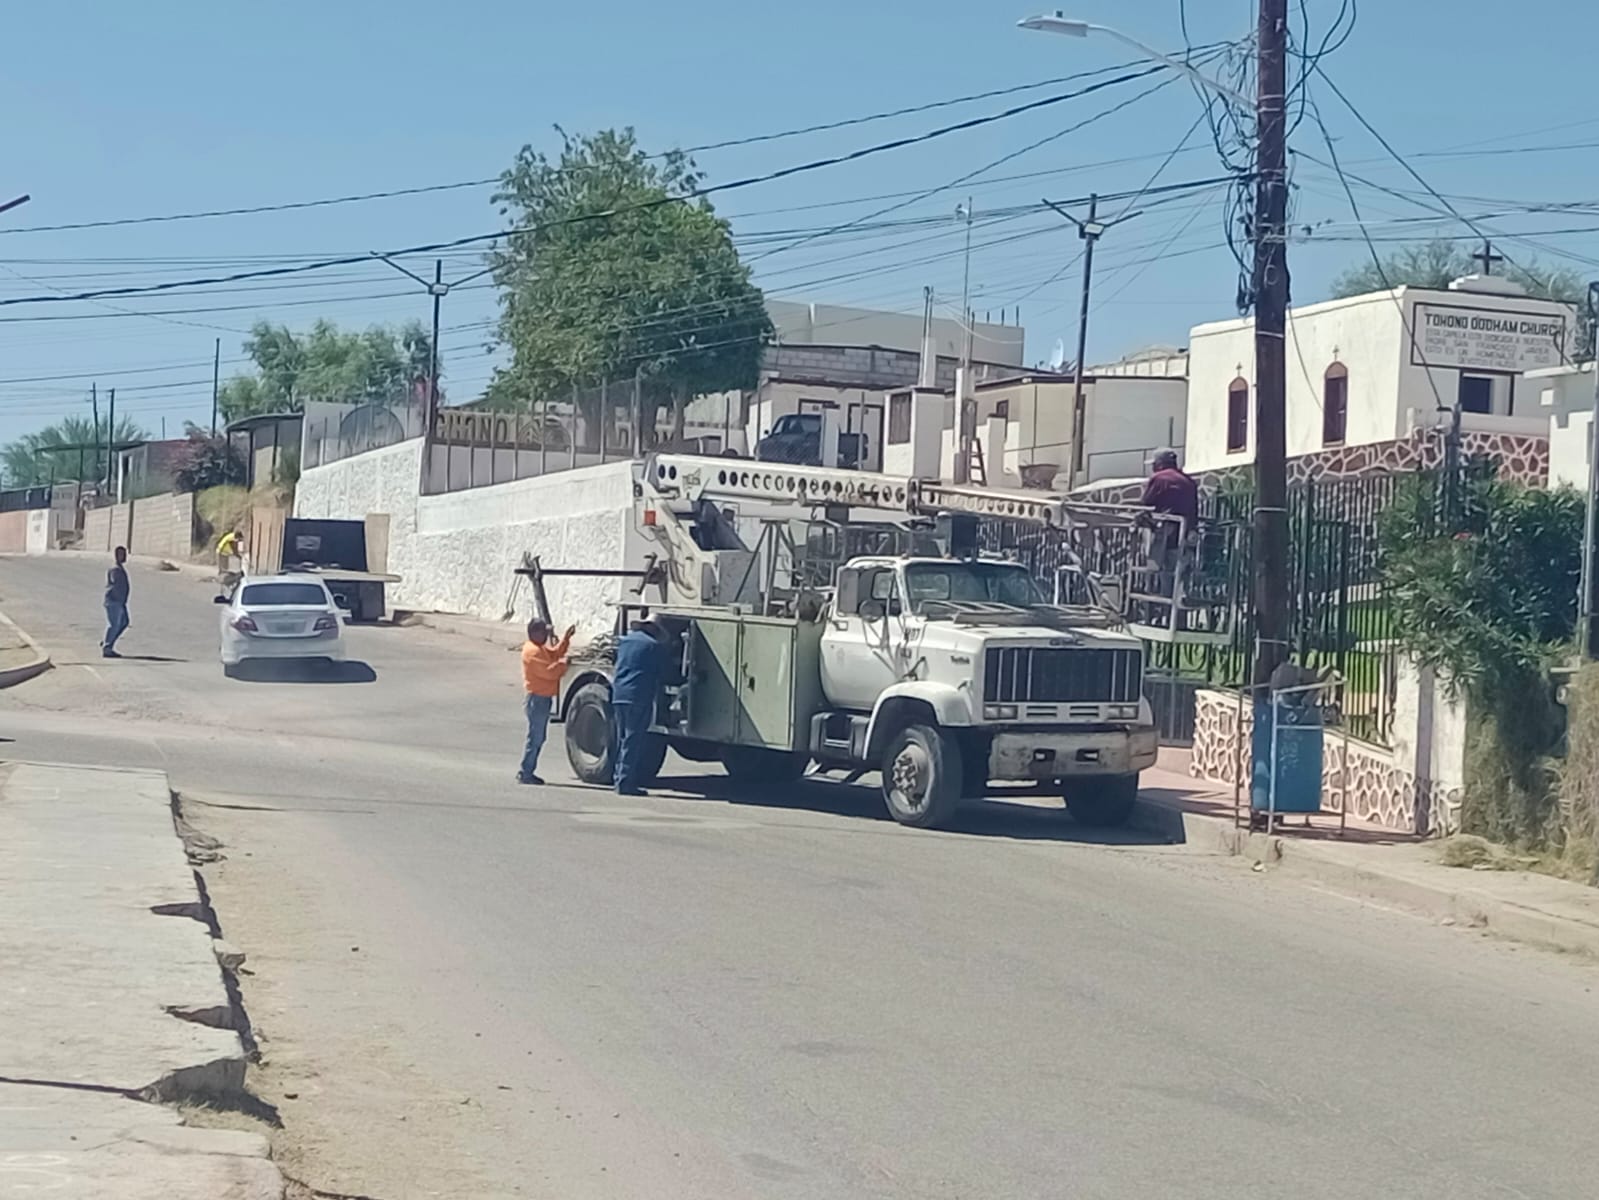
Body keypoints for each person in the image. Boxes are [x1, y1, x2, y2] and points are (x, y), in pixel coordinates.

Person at [610, 619, 666, 796]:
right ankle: (625, 783)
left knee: (622, 738)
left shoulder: (625, 641)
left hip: (619, 694)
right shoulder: (653, 646)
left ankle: (618, 777)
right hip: (638, 696)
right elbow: (663, 672)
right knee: (633, 740)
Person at [518, 618, 576, 785]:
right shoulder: (532, 652)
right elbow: (549, 672)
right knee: (535, 737)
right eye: (544, 632)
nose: (547, 635)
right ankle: (526, 772)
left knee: (538, 737)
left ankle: (527, 771)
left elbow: (554, 654)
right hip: (537, 699)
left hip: (542, 699)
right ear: (535, 633)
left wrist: (566, 639)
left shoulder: (539, 649)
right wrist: (563, 664)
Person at [1139, 449, 1200, 603]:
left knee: (1163, 570)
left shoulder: (1160, 478)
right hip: (1186, 533)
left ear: (1159, 464)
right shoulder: (1189, 481)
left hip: (1165, 534)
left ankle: (1166, 611)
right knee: (1180, 572)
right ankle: (1179, 610)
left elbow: (1146, 503)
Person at [103, 546, 131, 659]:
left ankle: (108, 641)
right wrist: (118, 600)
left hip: (120, 602)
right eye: (122, 554)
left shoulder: (119, 568)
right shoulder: (115, 569)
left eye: (125, 554)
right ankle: (107, 648)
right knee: (114, 625)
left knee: (124, 622)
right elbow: (115, 586)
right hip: (114, 601)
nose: (124, 557)